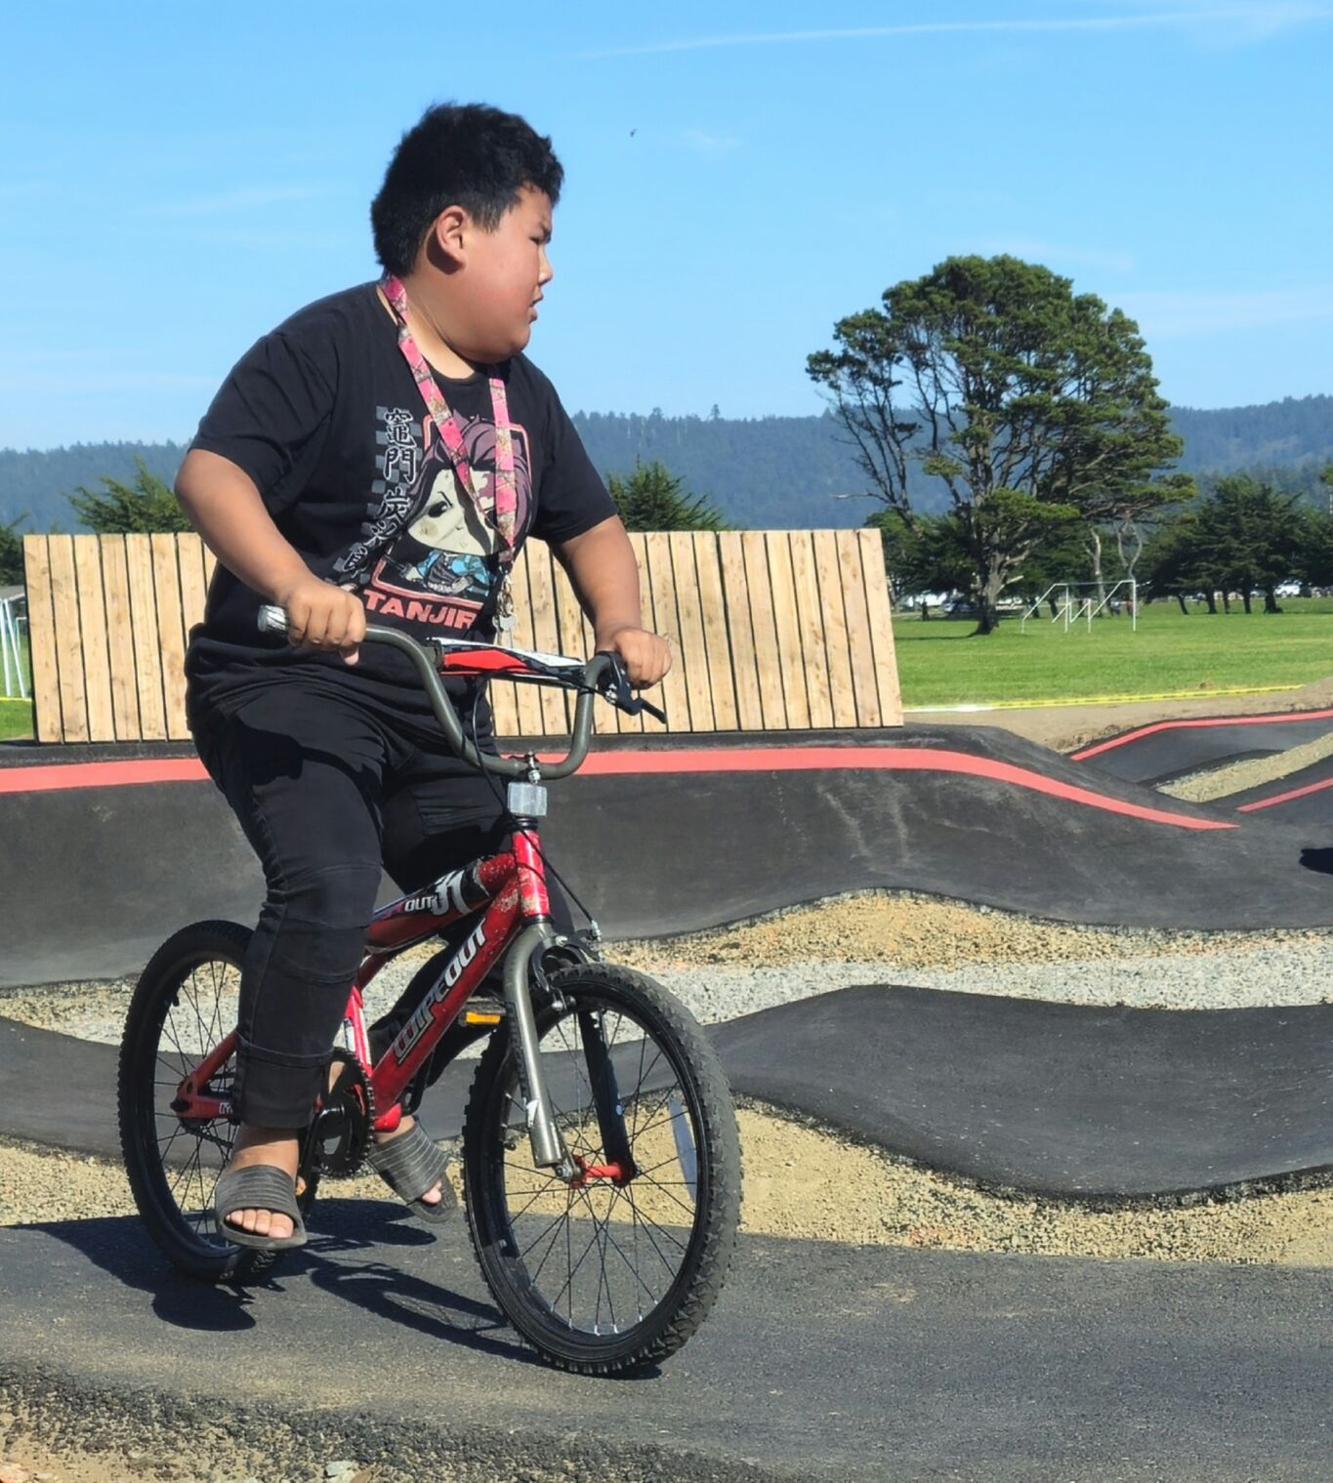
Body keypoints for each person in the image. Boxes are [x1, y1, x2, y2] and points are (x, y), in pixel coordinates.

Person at [177, 101, 671, 1251]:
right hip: (286, 688)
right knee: (333, 876)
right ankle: (267, 1142)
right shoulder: (332, 346)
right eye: (536, 238)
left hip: (435, 709)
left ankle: (383, 1083)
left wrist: (624, 620)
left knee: (529, 919)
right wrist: (296, 582)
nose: (551, 268)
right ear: (455, 233)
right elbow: (213, 477)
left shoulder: (522, 397)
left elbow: (589, 522)